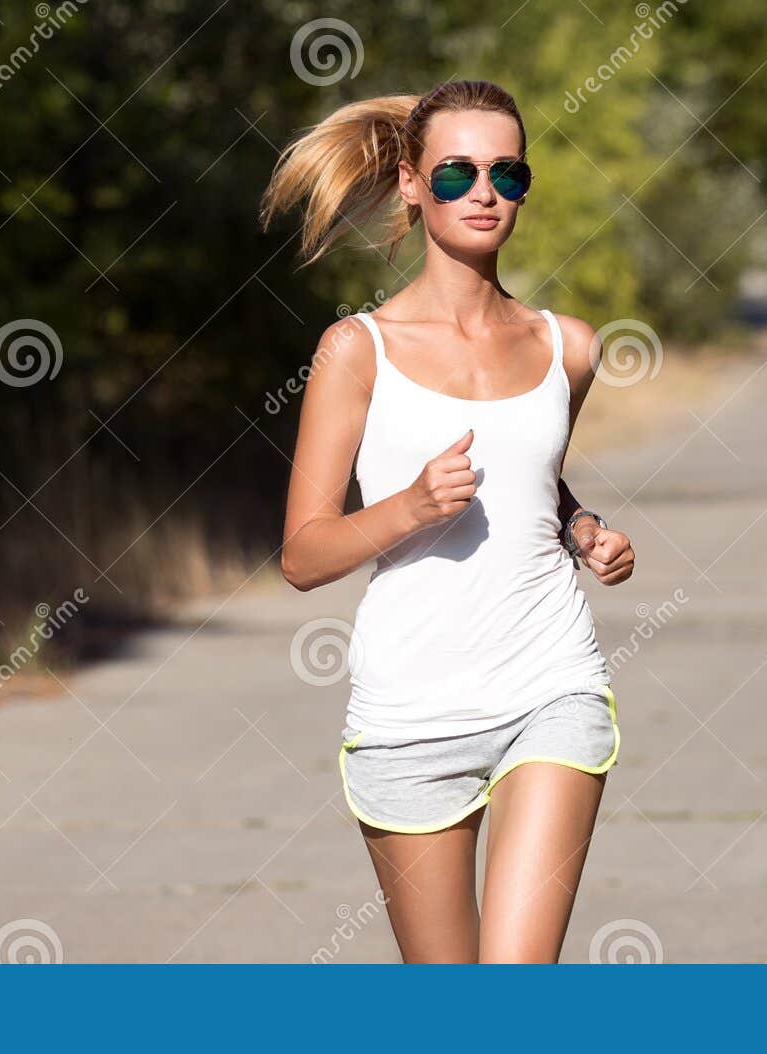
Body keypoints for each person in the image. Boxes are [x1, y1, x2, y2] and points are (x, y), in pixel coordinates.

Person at [262, 79, 635, 963]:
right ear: (409, 182)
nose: (483, 193)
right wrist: (408, 507)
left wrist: (583, 531)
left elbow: (533, 481)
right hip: (410, 713)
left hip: (551, 683)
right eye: (459, 171)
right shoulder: (358, 351)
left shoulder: (568, 347)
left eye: (508, 175)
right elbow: (303, 555)